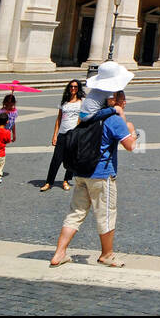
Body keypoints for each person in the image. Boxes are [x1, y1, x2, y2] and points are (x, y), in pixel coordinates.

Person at [49, 88, 136, 269]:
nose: (125, 101)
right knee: (106, 215)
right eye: (122, 98)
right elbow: (130, 146)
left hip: (81, 172)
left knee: (76, 213)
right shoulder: (113, 120)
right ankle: (107, 255)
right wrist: (131, 129)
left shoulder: (87, 119)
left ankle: (59, 253)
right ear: (112, 101)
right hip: (102, 175)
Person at [42, 80, 85, 191]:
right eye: (71, 86)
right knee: (56, 159)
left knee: (71, 158)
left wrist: (79, 133)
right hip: (62, 132)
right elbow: (58, 119)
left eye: (75, 87)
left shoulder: (82, 101)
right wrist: (55, 135)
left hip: (74, 133)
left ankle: (66, 180)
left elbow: (82, 118)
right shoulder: (64, 102)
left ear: (78, 88)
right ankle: (48, 182)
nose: (73, 88)